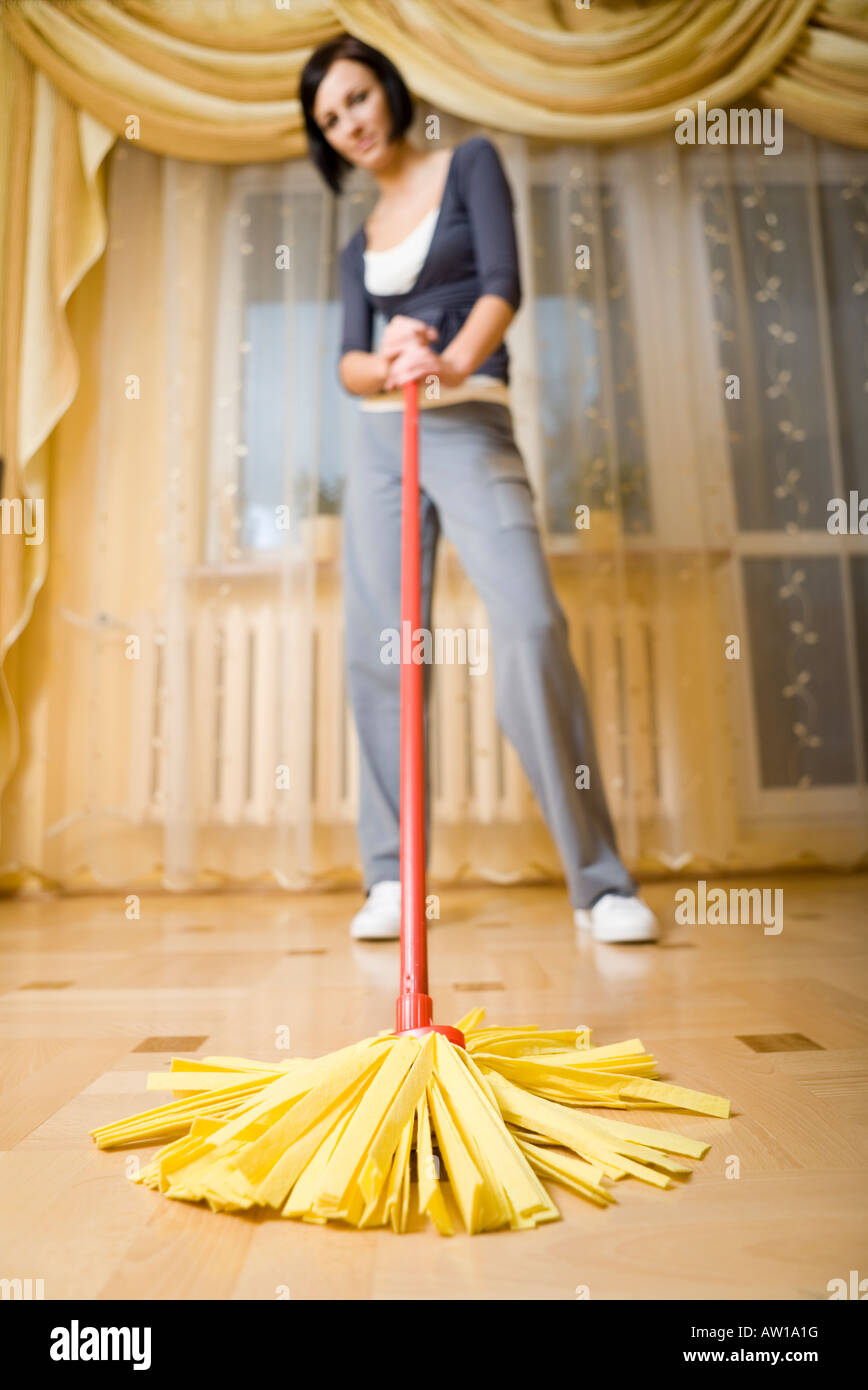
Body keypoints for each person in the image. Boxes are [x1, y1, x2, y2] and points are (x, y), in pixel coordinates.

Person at [299, 37, 659, 945]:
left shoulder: (470, 164)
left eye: (356, 99)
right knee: (384, 651)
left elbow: (505, 284)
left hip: (469, 418)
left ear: (386, 86)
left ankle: (601, 885)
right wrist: (387, 363)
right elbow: (346, 359)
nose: (351, 124)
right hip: (383, 438)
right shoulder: (359, 242)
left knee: (532, 623)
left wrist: (449, 359)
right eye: (331, 120)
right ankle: (391, 878)